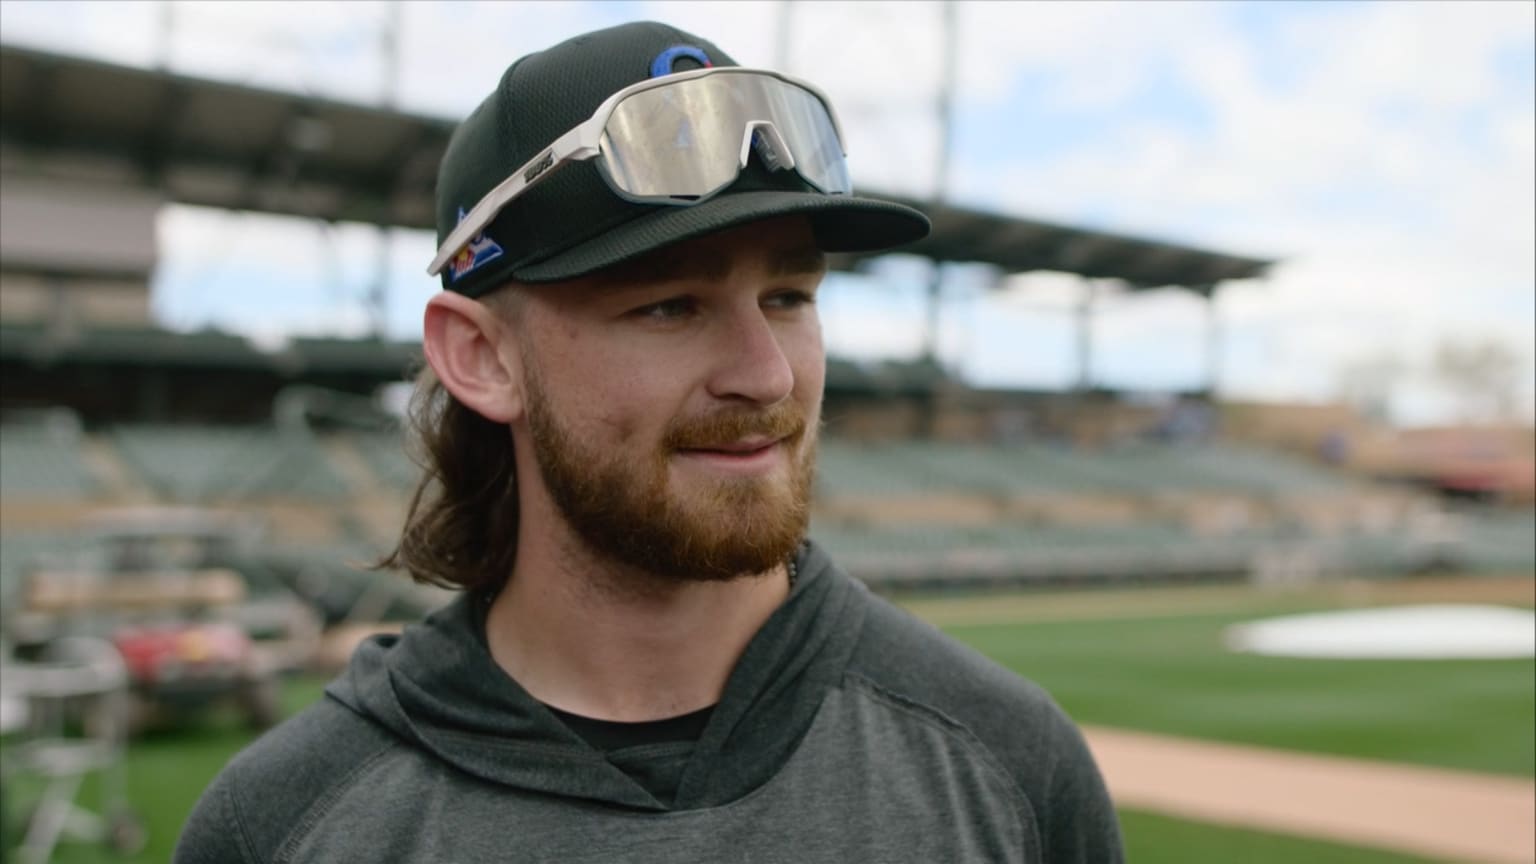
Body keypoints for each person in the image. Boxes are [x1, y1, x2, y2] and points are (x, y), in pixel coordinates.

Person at [175, 20, 1122, 863]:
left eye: (789, 297)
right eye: (670, 304)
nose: (768, 374)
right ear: (481, 358)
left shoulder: (1014, 766)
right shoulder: (281, 825)